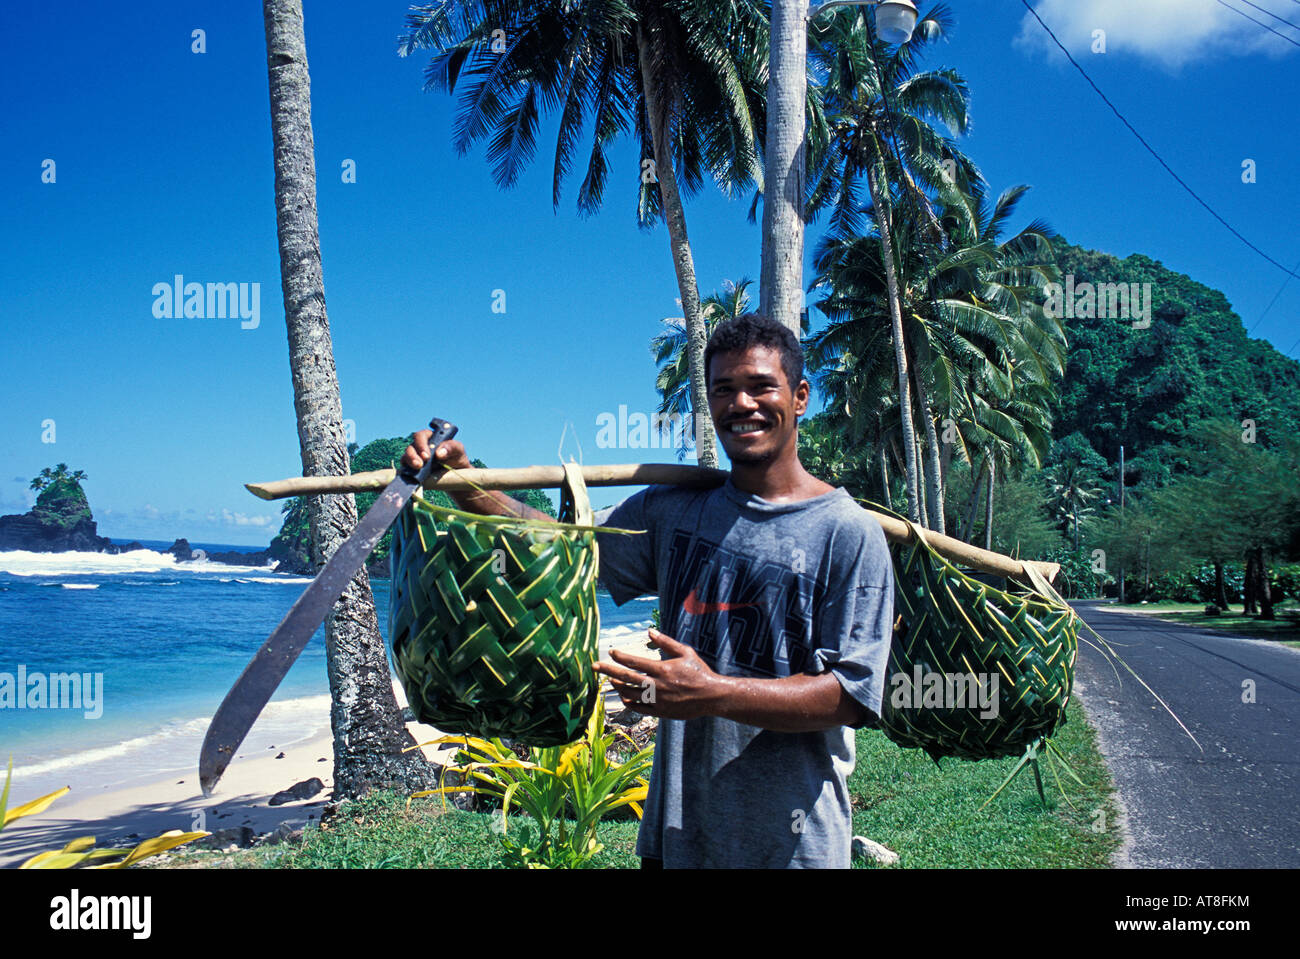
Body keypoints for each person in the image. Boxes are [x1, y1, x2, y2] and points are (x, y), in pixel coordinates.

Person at [401, 312, 895, 868]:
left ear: (799, 397)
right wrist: (464, 481)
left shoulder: (847, 533)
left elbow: (853, 695)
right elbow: (556, 551)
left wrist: (714, 692)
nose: (741, 403)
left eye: (761, 386)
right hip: (676, 839)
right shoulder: (672, 510)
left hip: (793, 849)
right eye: (724, 389)